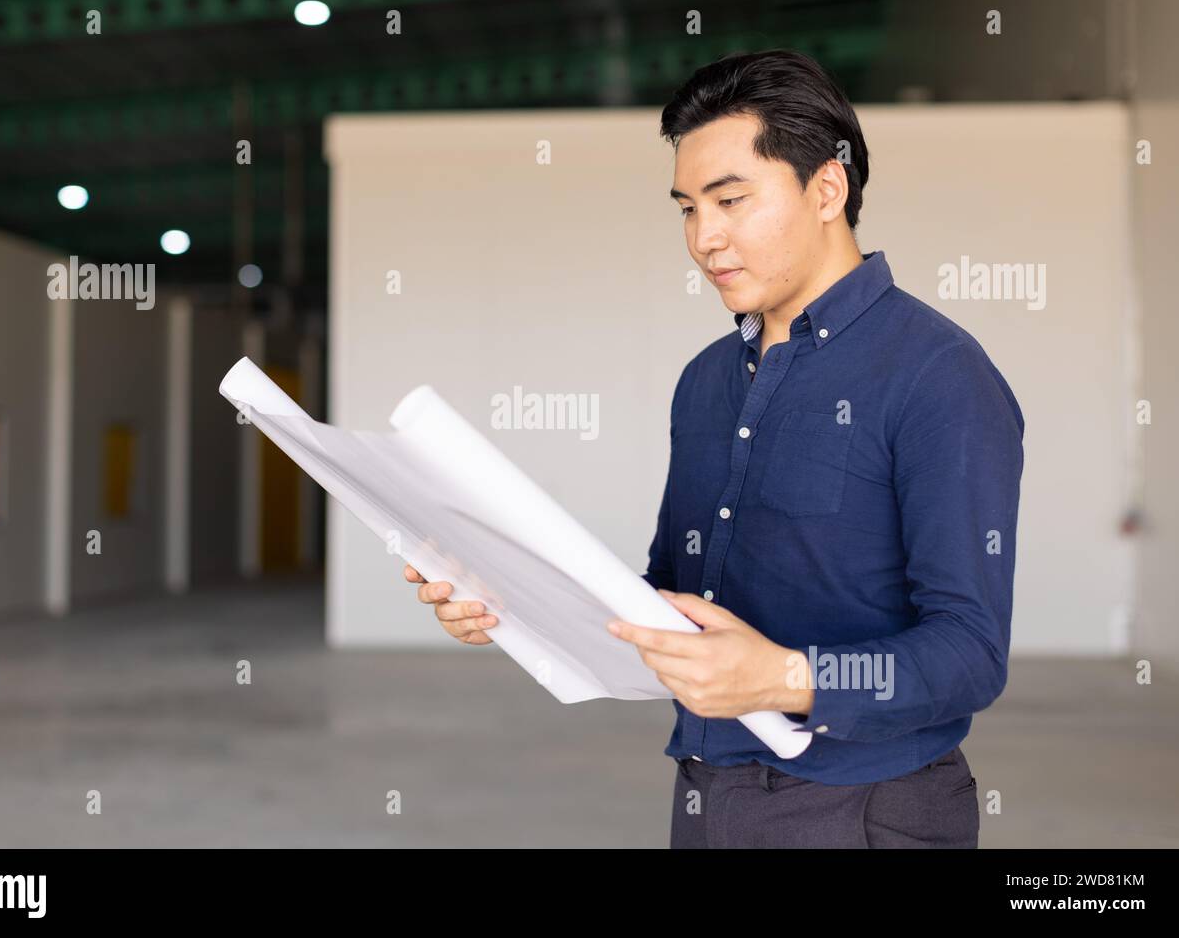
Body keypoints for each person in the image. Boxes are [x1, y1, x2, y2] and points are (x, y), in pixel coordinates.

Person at [404, 49, 1024, 848]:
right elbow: (663, 602)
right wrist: (508, 602)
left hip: (865, 809)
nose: (704, 238)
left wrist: (786, 678)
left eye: (731, 201)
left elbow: (971, 655)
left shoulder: (938, 375)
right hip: (705, 794)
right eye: (688, 209)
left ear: (827, 188)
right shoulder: (706, 381)